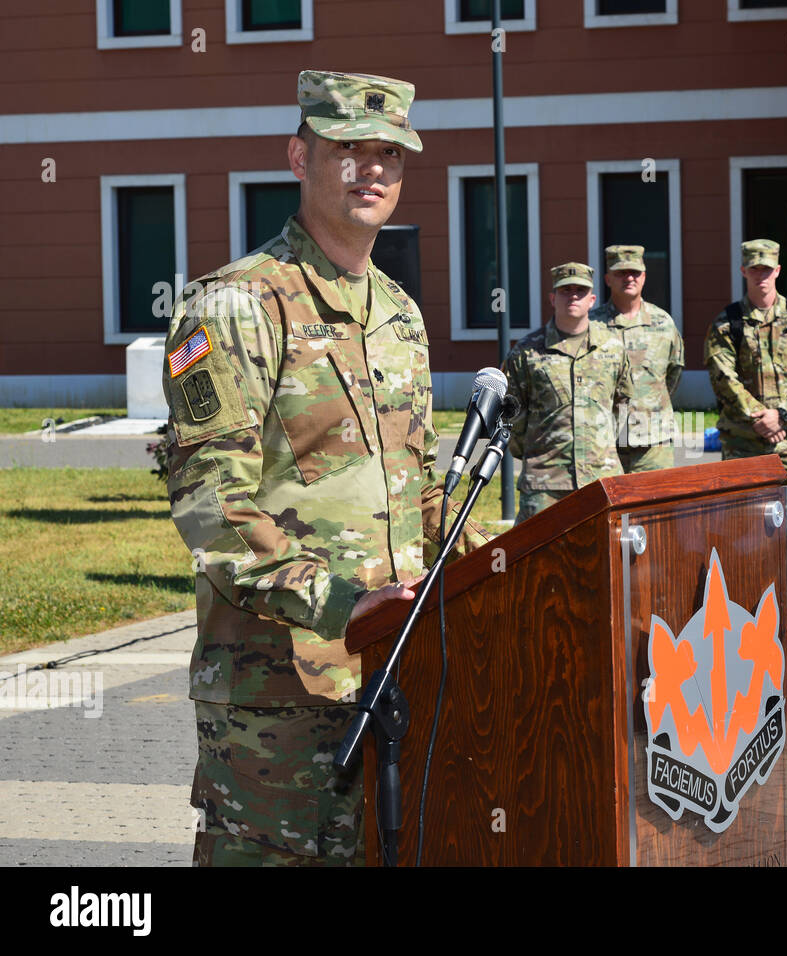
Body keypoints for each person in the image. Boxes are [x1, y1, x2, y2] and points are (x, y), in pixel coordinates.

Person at [162, 71, 488, 866]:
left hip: (394, 676)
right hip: (279, 695)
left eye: (388, 154)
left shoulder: (401, 314)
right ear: (299, 157)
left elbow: (421, 491)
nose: (370, 170)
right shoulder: (237, 305)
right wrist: (346, 604)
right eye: (347, 150)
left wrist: (521, 558)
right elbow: (213, 508)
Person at [705, 239, 787, 629]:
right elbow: (723, 377)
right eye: (753, 269)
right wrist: (759, 416)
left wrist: (782, 414)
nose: (761, 275)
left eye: (767, 268)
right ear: (744, 272)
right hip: (743, 438)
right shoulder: (727, 323)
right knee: (741, 518)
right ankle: (743, 595)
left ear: (778, 270)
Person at [504, 262, 632, 522]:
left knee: (604, 557)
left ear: (592, 300)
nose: (573, 296)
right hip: (544, 482)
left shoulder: (613, 348)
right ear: (553, 298)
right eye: (565, 290)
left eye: (580, 291)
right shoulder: (527, 351)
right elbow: (512, 414)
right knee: (539, 557)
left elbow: (623, 404)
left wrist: (601, 444)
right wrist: (535, 452)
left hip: (601, 477)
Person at [589, 244, 684, 472]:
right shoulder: (591, 325)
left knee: (655, 506)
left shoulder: (663, 322)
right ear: (607, 279)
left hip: (654, 441)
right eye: (620, 273)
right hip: (604, 440)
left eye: (635, 273)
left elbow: (674, 372)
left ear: (644, 277)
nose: (628, 278)